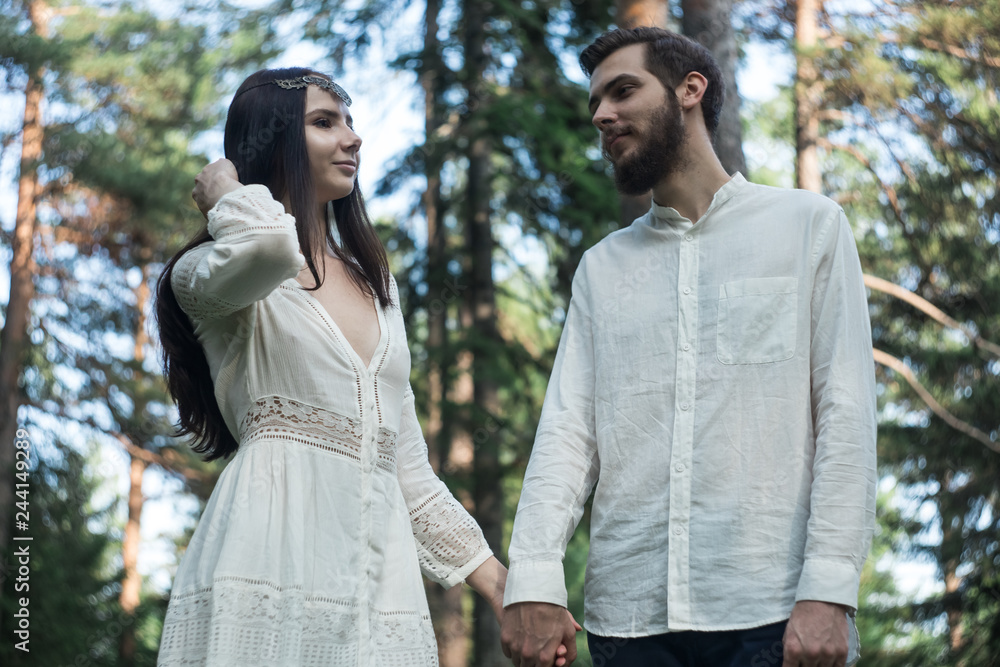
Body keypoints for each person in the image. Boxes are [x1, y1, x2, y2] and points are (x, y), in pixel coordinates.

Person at [499, 28, 877, 667]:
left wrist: (830, 589)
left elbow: (845, 414)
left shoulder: (809, 228)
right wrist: (532, 578)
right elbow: (567, 433)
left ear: (689, 90)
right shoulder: (602, 268)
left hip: (774, 615)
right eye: (594, 102)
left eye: (623, 90)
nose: (601, 116)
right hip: (629, 624)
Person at [154, 67, 510, 666]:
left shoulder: (378, 288)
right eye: (325, 122)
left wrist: (503, 588)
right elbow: (270, 248)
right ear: (273, 144)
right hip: (268, 564)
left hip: (379, 590)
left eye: (349, 122)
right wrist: (227, 193)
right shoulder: (209, 272)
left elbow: (408, 473)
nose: (353, 138)